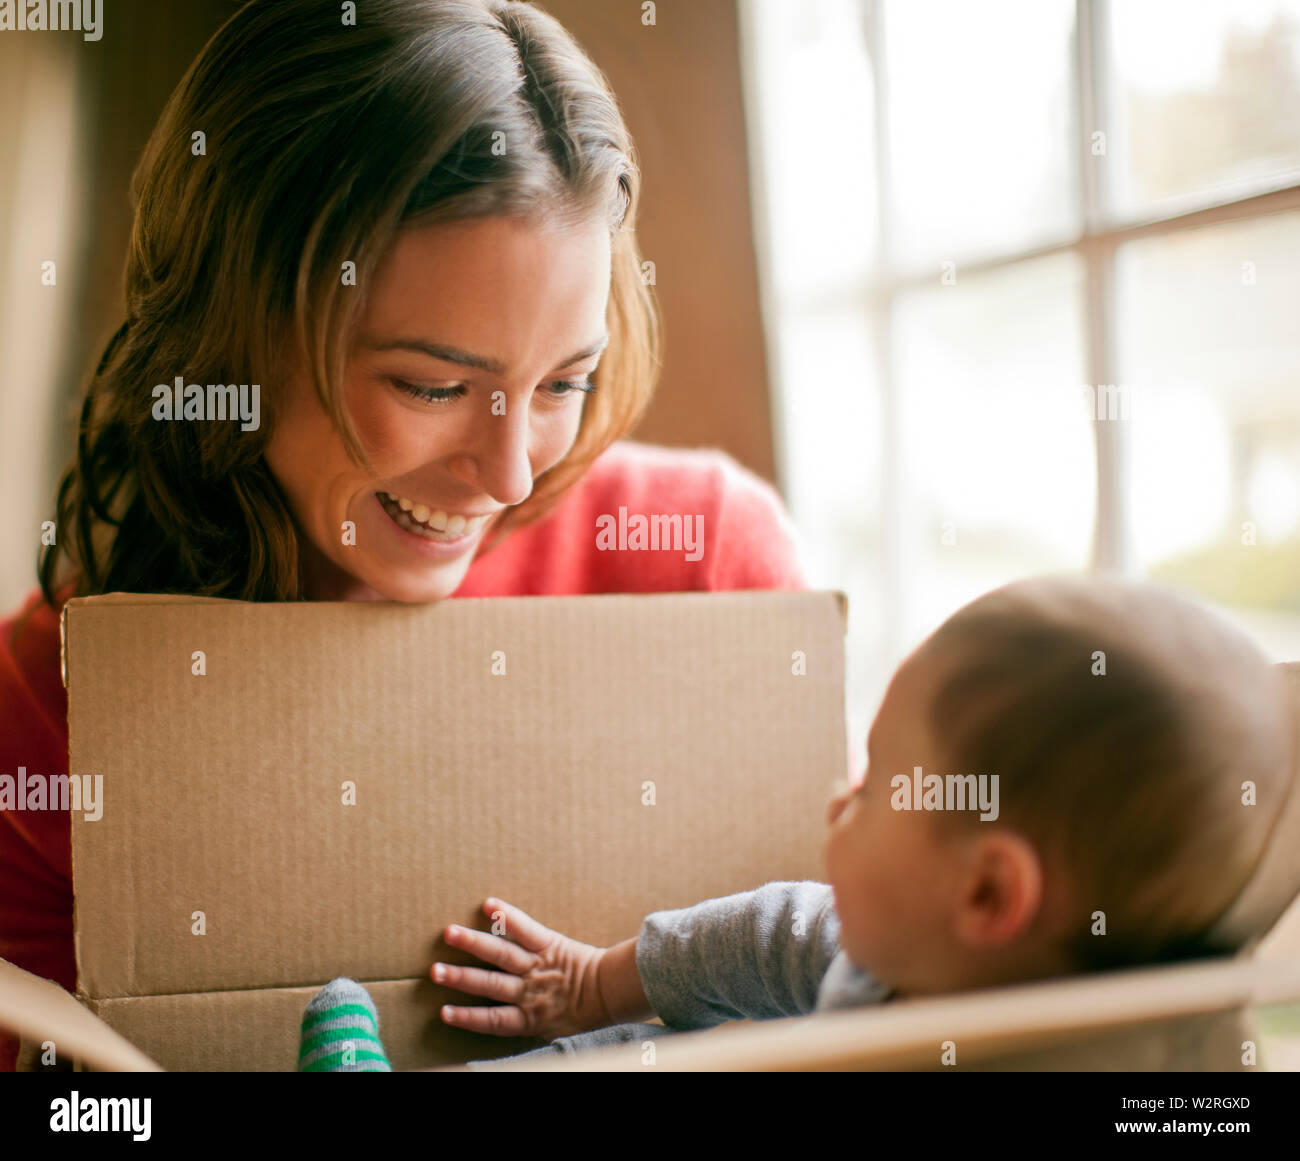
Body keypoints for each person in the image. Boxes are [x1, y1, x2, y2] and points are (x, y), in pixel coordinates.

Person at [0, 0, 807, 1072]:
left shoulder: (704, 562)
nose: (512, 474)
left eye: (565, 381)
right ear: (234, 334)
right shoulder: (49, 706)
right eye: (432, 384)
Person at [295, 576, 1299, 1072]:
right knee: (641, 1050)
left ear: (988, 891)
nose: (836, 802)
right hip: (768, 1040)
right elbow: (772, 934)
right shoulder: (891, 955)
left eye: (874, 789)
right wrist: (590, 985)